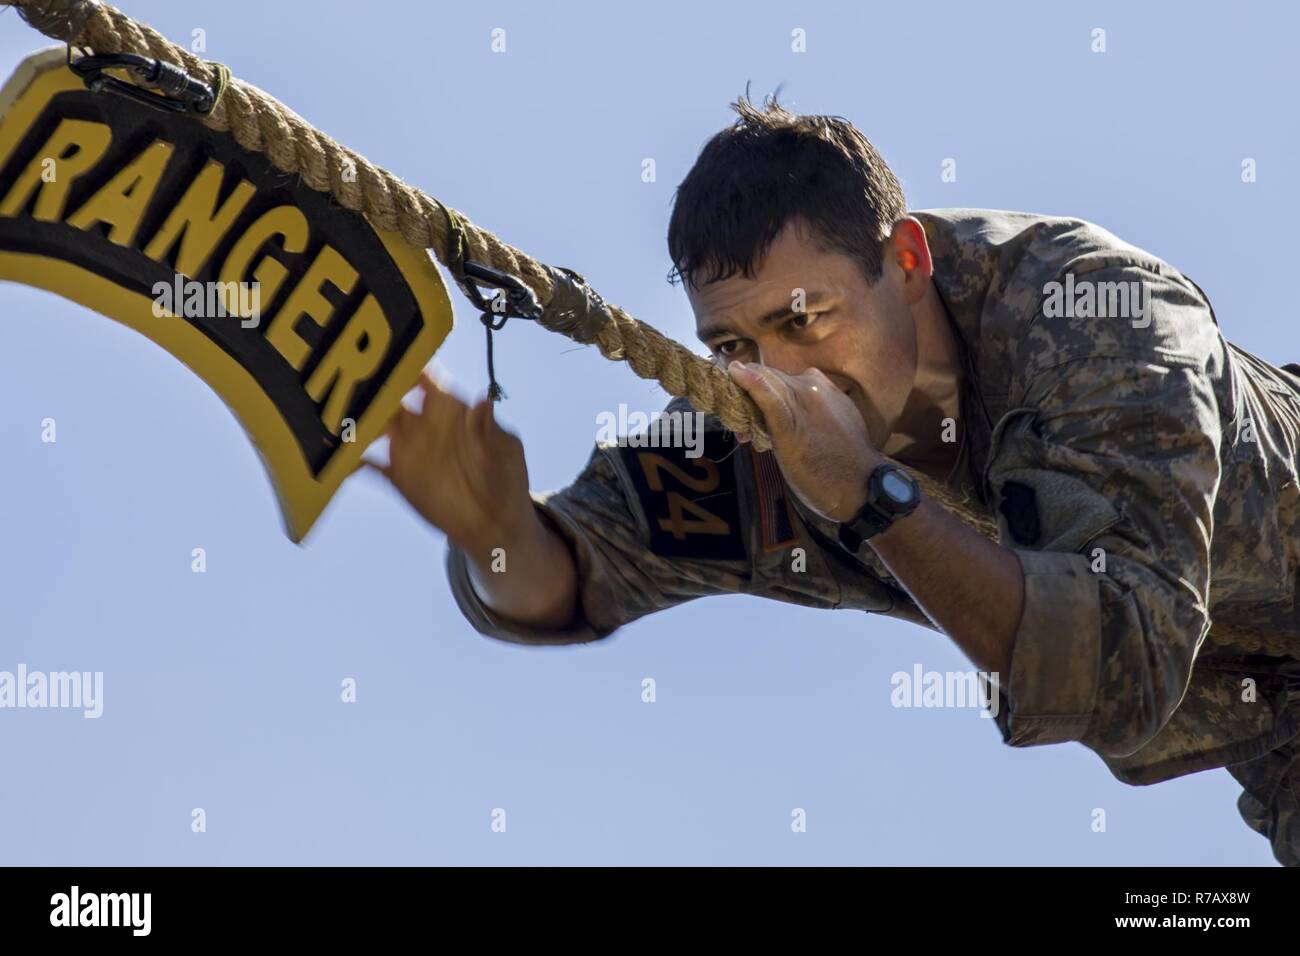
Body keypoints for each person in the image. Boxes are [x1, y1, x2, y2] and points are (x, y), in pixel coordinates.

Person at [370, 94, 1300, 865]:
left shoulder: (1096, 316)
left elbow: (1120, 673)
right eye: (733, 344)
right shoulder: (743, 434)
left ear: (906, 262)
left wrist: (867, 495)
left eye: (805, 319)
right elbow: (570, 575)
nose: (782, 380)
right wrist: (491, 529)